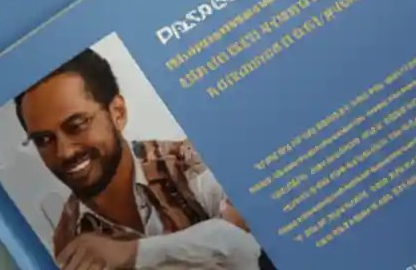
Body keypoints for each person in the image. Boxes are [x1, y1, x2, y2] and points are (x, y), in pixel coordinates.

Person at [14, 48, 264, 270]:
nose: (64, 152)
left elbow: (248, 245)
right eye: (43, 140)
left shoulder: (185, 163)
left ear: (118, 113)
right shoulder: (67, 238)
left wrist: (134, 253)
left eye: (77, 125)